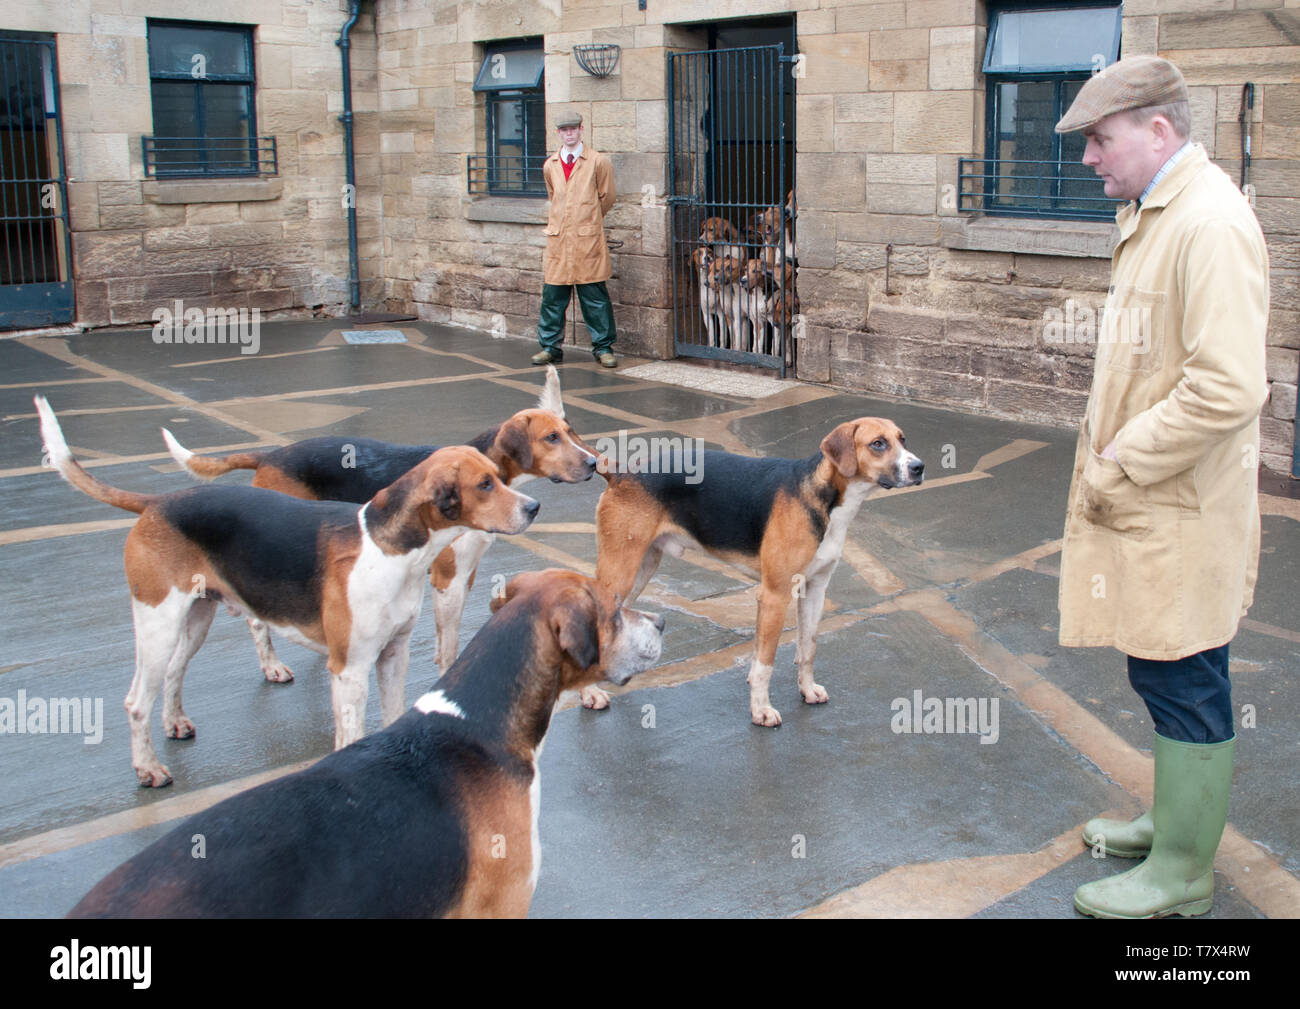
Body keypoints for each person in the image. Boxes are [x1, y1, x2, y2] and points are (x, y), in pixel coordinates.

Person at [1054, 55, 1270, 919]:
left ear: (1158, 129)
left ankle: (1183, 870)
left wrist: (1124, 452)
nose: (1088, 159)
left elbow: (1228, 385)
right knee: (1164, 667)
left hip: (1175, 501)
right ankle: (1172, 821)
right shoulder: (1161, 209)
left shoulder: (1208, 221)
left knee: (1185, 673)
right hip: (1158, 499)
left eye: (1100, 140)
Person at [531, 111, 618, 368]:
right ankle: (550, 347)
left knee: (595, 298)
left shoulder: (598, 162)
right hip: (559, 241)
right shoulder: (551, 165)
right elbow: (554, 196)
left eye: (573, 129)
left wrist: (587, 219)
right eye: (564, 130)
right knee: (552, 298)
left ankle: (603, 347)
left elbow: (607, 196)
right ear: (558, 133)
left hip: (587, 241)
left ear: (581, 130)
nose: (569, 134)